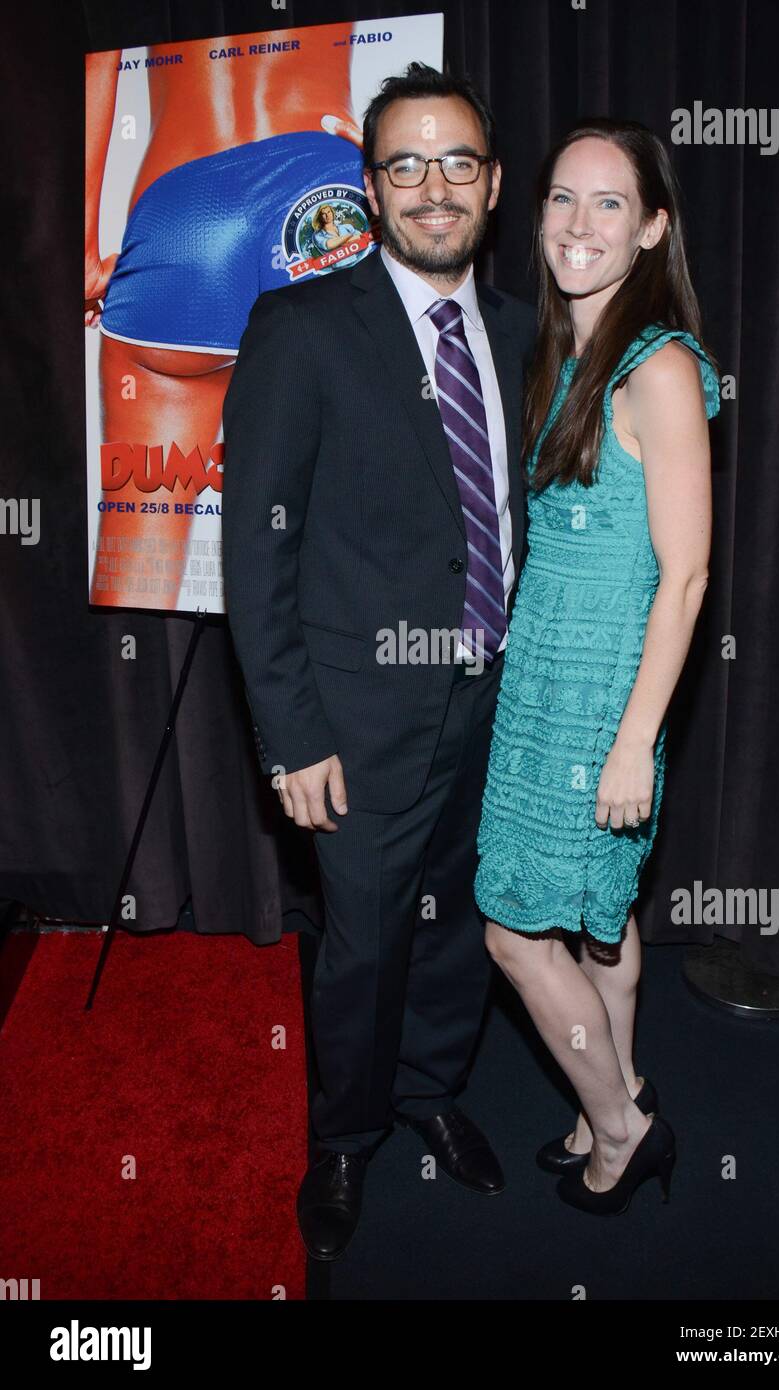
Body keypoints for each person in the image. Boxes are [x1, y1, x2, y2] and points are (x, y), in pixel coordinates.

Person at [221, 63, 536, 1260]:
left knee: (458, 922)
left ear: (493, 185)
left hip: (494, 703)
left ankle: (429, 1089)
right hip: (354, 721)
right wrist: (291, 735)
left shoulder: (523, 333)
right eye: (406, 164)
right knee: (362, 945)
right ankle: (345, 1136)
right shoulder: (301, 330)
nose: (433, 187)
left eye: (458, 162)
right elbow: (256, 555)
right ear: (370, 188)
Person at [474, 118, 721, 1216]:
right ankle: (610, 1093)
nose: (580, 223)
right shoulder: (565, 354)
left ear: (652, 227)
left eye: (609, 202)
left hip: (602, 705)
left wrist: (632, 742)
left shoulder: (656, 366)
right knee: (598, 925)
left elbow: (687, 577)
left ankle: (623, 1129)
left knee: (512, 936)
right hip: (542, 686)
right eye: (562, 198)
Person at [84, 27, 364, 608]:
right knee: (357, 518)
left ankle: (130, 667)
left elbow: (98, 60)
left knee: (138, 544)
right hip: (323, 185)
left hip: (183, 209)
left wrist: (82, 246)